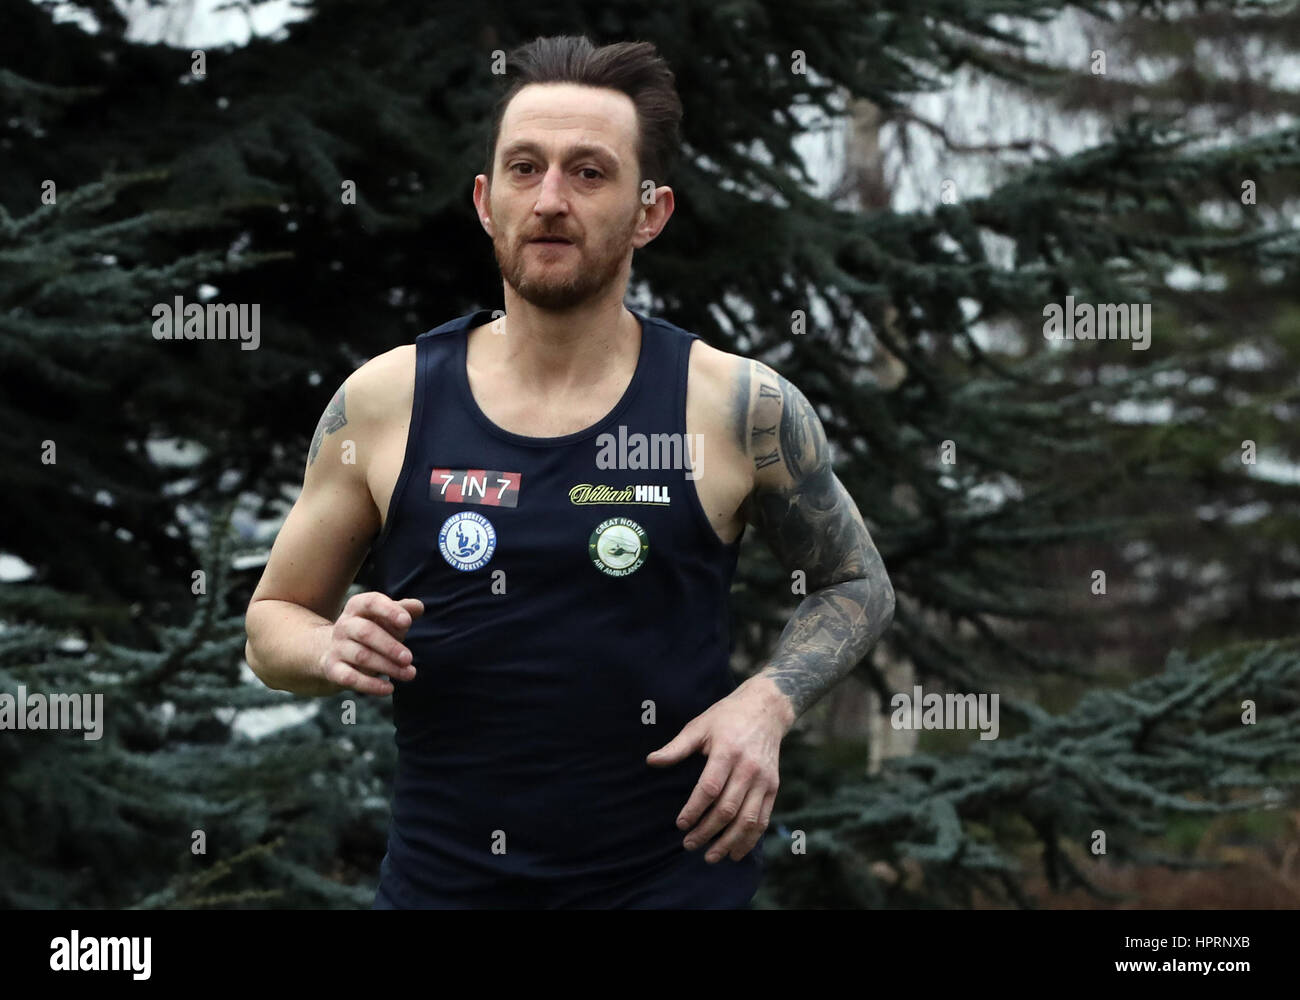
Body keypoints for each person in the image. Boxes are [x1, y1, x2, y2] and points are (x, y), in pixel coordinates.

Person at [244, 34, 895, 909]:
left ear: (649, 211)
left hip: (670, 888)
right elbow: (269, 625)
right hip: (442, 890)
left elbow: (855, 583)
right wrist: (328, 646)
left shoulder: (737, 407)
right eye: (525, 169)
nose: (550, 200)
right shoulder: (387, 400)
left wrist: (768, 701)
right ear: (485, 200)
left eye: (589, 173)